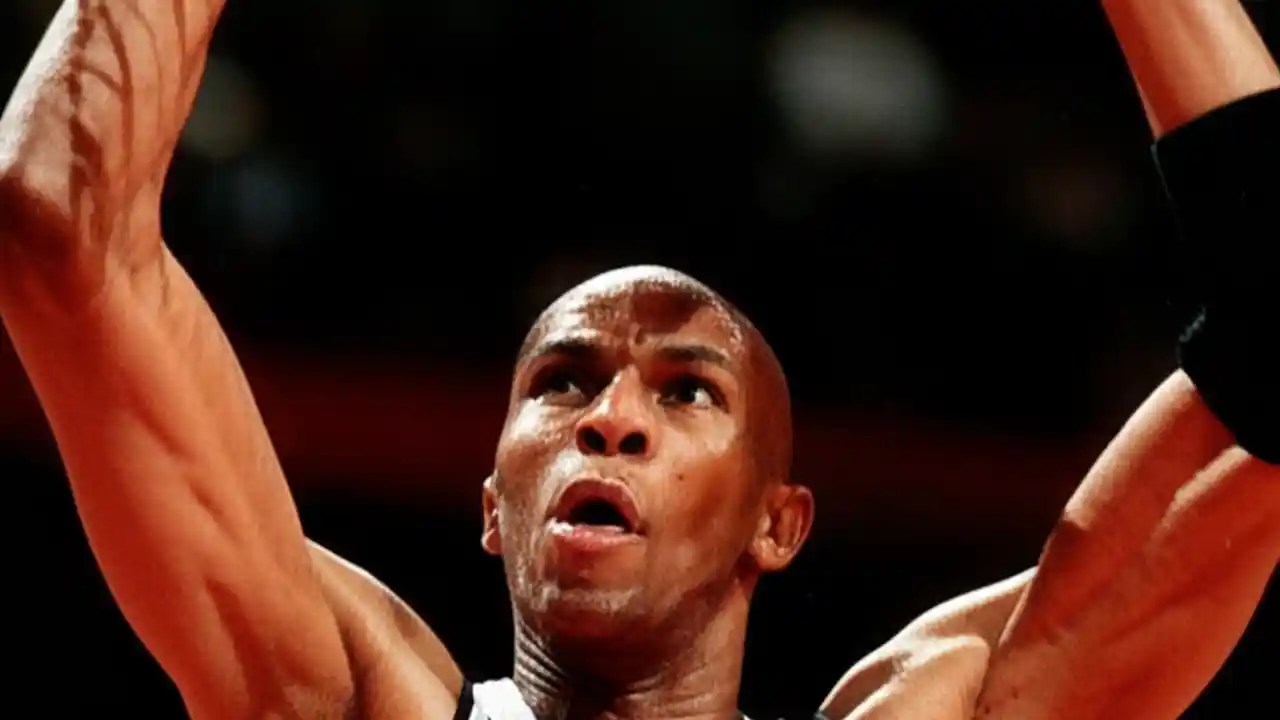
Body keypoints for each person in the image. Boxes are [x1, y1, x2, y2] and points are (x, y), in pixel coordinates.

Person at [0, 0, 1275, 718]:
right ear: (492, 506)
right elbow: (61, 226)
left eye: (686, 391)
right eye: (561, 383)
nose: (609, 417)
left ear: (777, 525)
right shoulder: (338, 697)